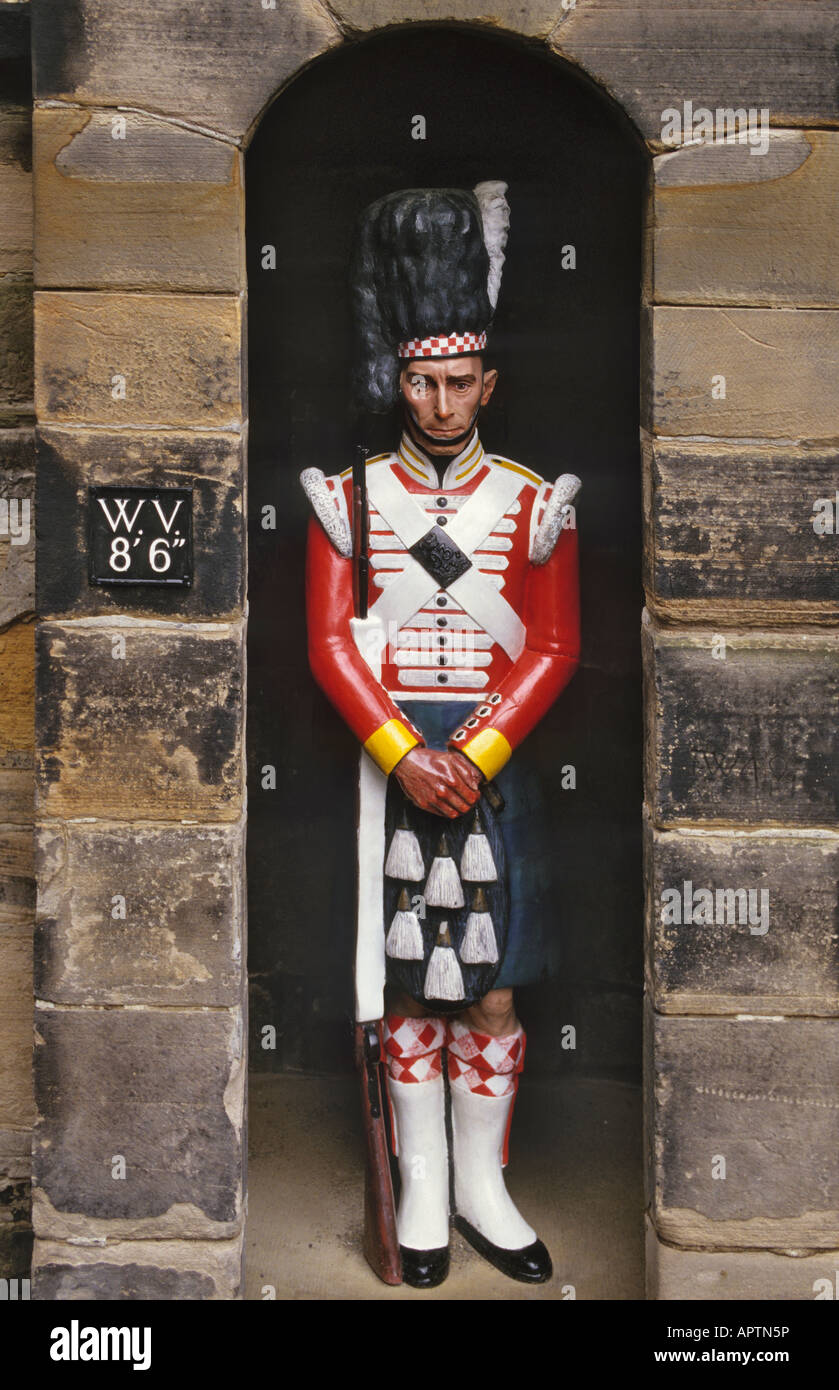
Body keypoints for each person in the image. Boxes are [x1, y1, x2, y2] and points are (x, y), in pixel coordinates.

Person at [302, 183, 580, 1288]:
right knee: (413, 979)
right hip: (392, 769)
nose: (439, 400)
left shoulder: (532, 503)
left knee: (497, 984)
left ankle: (481, 1185)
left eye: (459, 381)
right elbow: (329, 644)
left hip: (490, 769)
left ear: (487, 383)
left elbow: (553, 647)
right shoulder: (346, 498)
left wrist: (472, 755)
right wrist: (399, 753)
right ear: (399, 377)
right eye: (421, 379)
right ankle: (422, 1181)